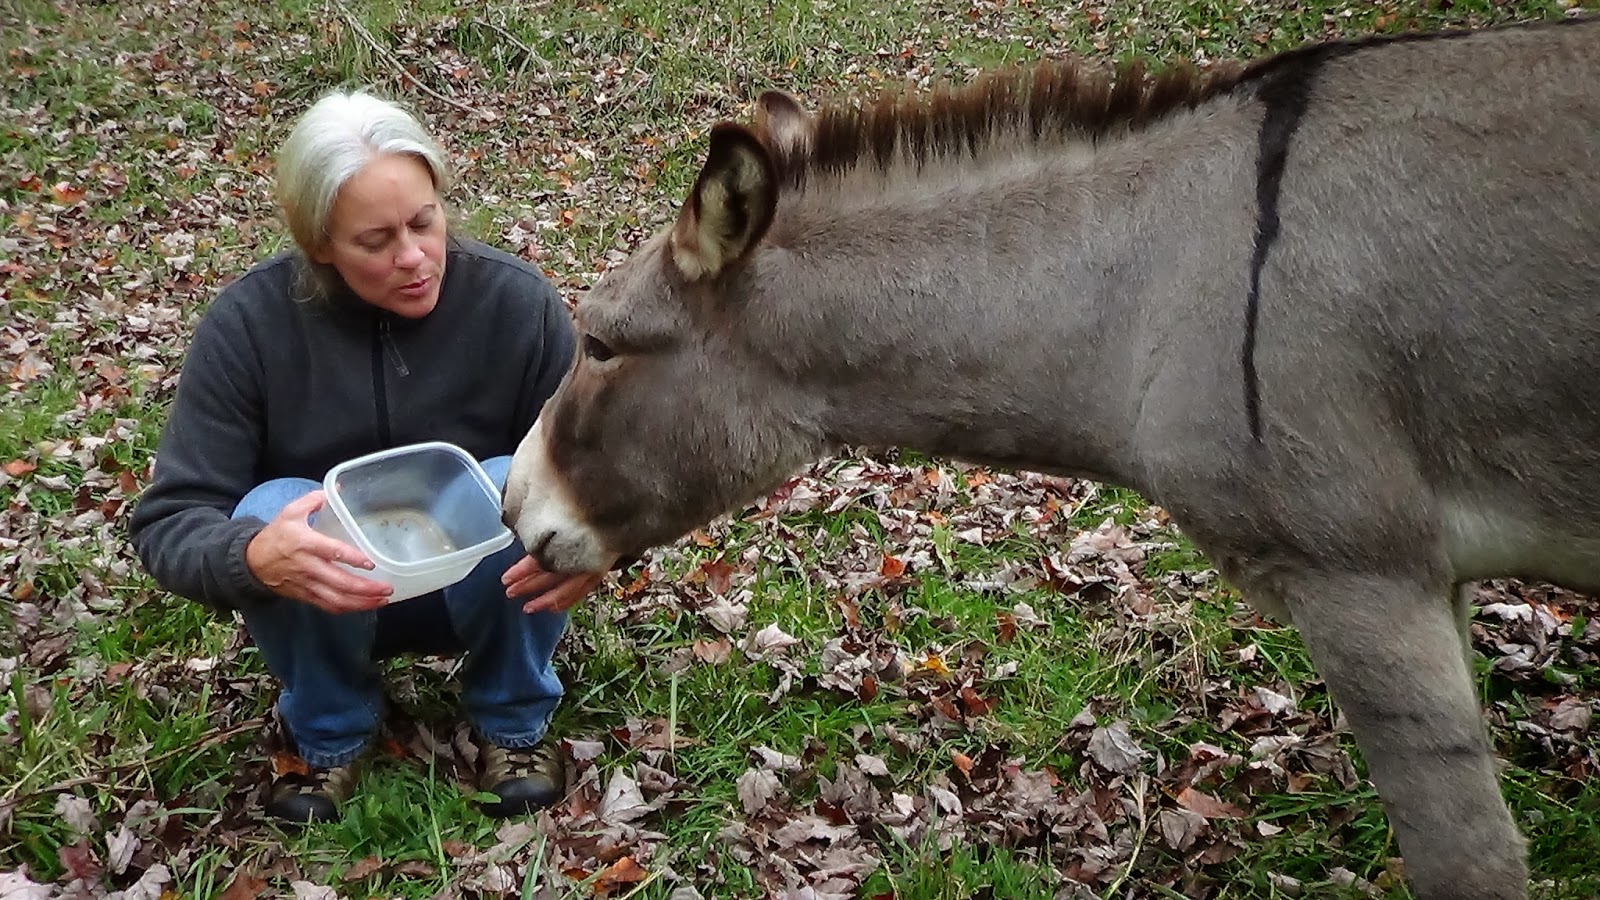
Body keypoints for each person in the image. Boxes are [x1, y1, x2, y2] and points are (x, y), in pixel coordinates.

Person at [128, 89, 603, 824]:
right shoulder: (249, 325)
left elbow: (601, 468)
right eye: (375, 242)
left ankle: (512, 720)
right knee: (271, 508)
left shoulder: (514, 303)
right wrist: (251, 556)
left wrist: (600, 544)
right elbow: (170, 520)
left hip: (479, 578)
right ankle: (330, 730)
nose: (412, 258)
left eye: (424, 222)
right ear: (319, 242)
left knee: (522, 481)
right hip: (324, 595)